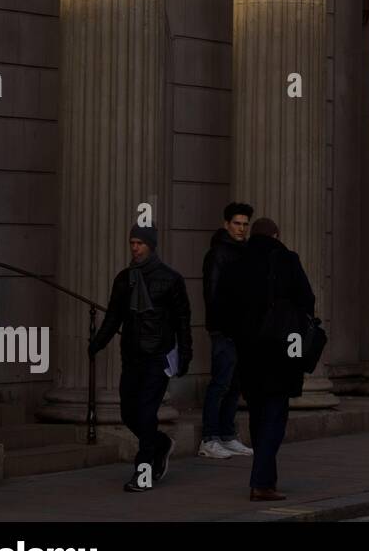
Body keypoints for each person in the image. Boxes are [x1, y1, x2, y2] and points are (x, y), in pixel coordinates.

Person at [88, 225, 192, 492]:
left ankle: (142, 472)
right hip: (131, 356)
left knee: (146, 414)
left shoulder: (171, 279)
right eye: (132, 242)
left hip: (157, 358)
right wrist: (98, 342)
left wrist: (185, 353)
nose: (135, 247)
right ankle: (161, 444)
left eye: (140, 243)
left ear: (151, 245)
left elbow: (183, 320)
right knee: (129, 414)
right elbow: (114, 316)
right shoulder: (124, 279)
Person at [222, 218, 316, 502]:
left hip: (248, 351)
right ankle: (261, 482)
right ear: (276, 234)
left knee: (258, 413)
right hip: (281, 350)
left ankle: (266, 480)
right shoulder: (286, 259)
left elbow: (224, 305)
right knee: (276, 414)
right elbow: (307, 300)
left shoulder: (237, 262)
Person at [199, 202, 255, 460]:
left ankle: (227, 435)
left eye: (245, 224)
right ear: (226, 224)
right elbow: (211, 294)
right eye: (237, 223)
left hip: (242, 331)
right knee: (220, 383)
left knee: (235, 385)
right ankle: (209, 438)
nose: (241, 228)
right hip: (224, 330)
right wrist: (224, 325)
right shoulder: (218, 253)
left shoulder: (245, 252)